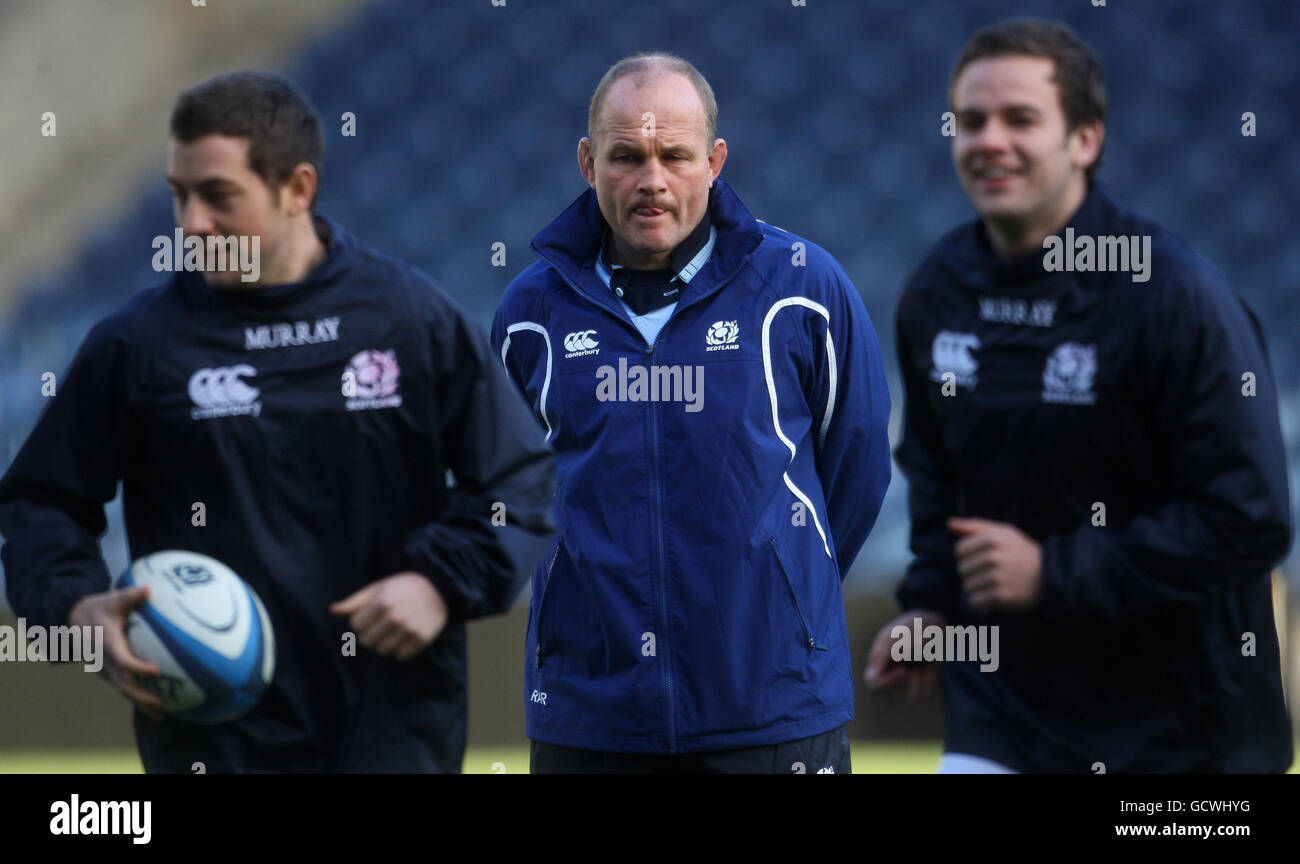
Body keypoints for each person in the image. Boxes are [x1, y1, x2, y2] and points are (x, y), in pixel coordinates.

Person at [0, 71, 555, 772]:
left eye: (217, 196)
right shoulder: (138, 344)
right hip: (211, 743)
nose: (191, 224)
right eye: (179, 196)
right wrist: (76, 607)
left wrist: (439, 581)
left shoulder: (408, 320)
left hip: (389, 739)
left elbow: (520, 480)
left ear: (297, 188)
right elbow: (39, 500)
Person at [865, 19, 1292, 773]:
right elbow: (936, 478)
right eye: (970, 121)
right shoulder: (938, 292)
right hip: (1006, 714)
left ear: (1085, 141)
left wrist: (1054, 572)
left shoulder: (1173, 297)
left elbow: (1249, 520)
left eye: (1020, 119)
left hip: (1179, 734)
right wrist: (930, 606)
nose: (988, 140)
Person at [492, 53, 891, 773]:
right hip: (591, 719)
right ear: (587, 162)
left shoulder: (802, 288)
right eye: (626, 157)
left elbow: (856, 472)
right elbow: (509, 488)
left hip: (772, 711)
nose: (652, 180)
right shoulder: (529, 313)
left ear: (714, 161)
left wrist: (783, 606)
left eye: (674, 155)